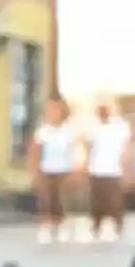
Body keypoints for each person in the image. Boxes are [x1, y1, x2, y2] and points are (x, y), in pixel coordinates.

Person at [29, 96, 79, 244]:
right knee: (46, 199)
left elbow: (72, 152)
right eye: (50, 110)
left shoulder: (68, 131)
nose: (53, 113)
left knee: (61, 200)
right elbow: (35, 152)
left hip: (63, 170)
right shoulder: (42, 131)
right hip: (47, 169)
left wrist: (74, 170)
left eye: (56, 110)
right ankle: (46, 227)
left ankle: (61, 226)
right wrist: (35, 171)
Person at [85, 96, 133, 242]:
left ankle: (118, 225)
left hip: (113, 169)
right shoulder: (93, 127)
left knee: (114, 200)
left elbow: (126, 147)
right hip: (96, 169)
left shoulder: (120, 126)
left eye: (105, 109)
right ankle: (96, 226)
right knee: (97, 200)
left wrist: (127, 166)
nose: (102, 113)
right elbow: (88, 146)